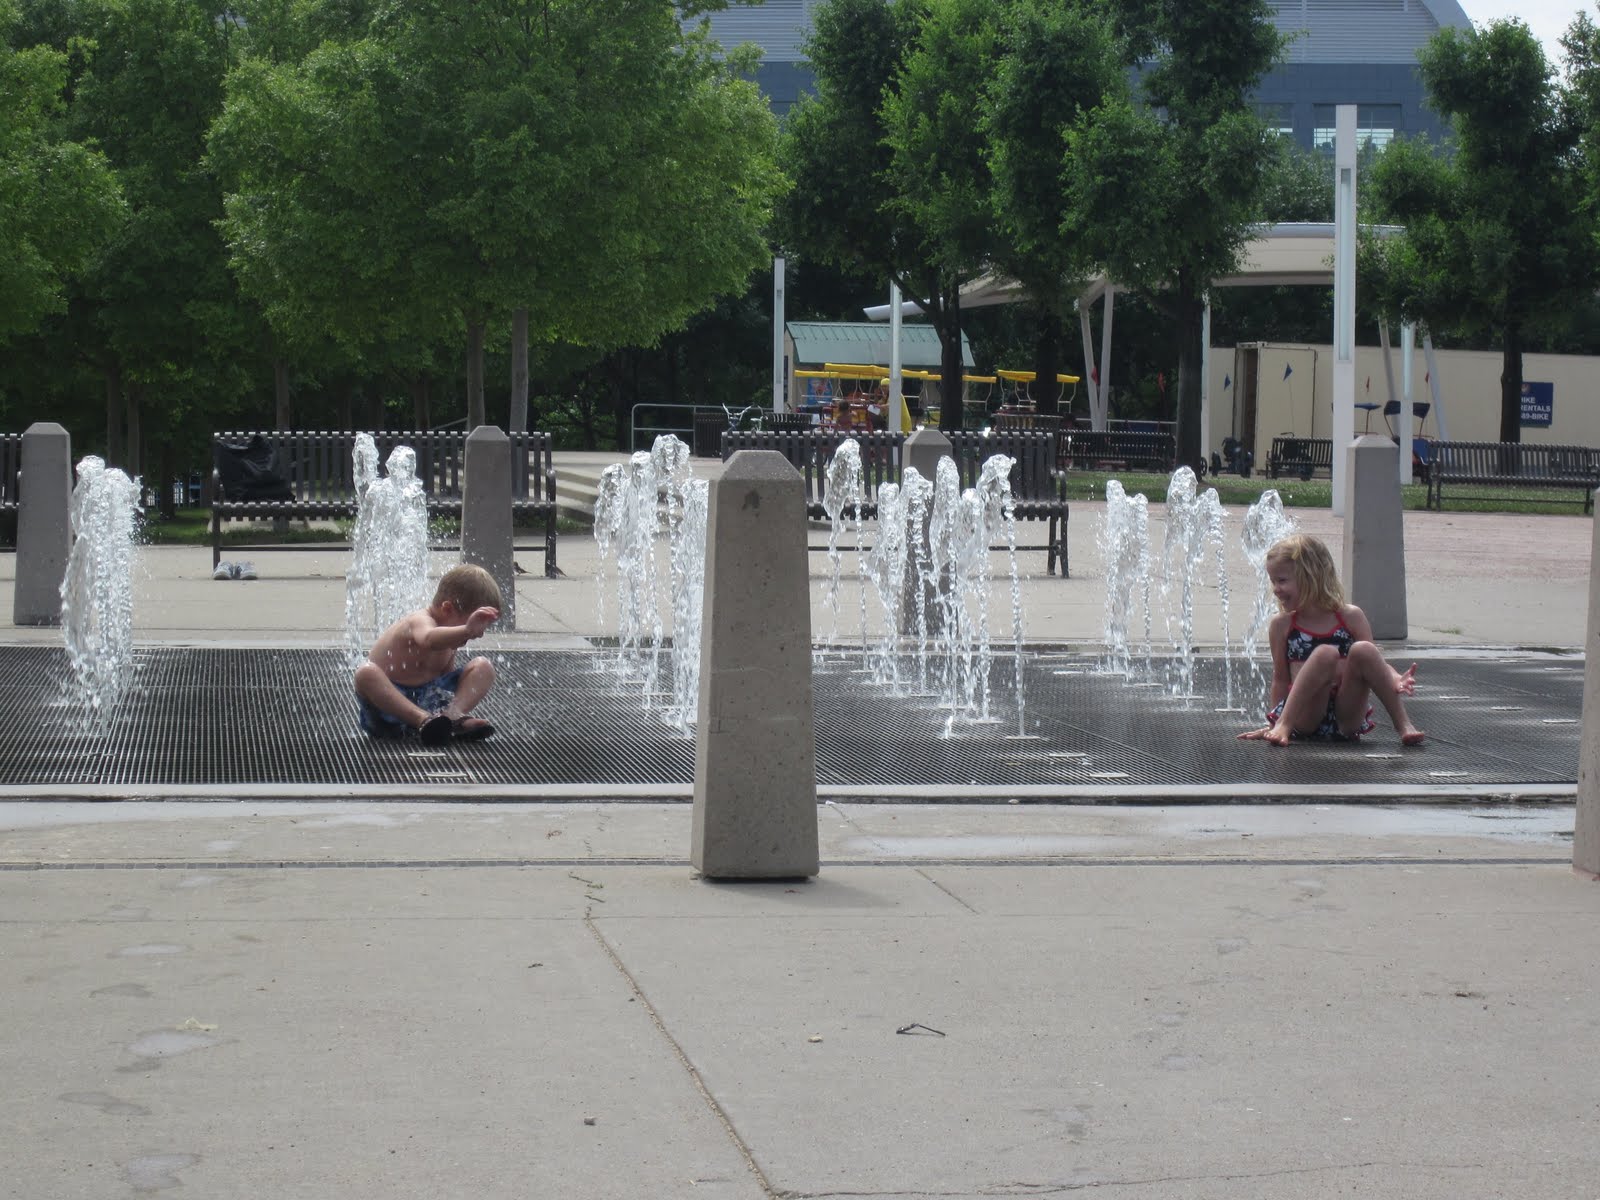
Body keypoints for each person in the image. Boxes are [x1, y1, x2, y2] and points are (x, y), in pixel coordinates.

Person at [1237, 533, 1424, 747]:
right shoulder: (1282, 625)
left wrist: (1395, 678)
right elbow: (1280, 679)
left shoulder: (1350, 617)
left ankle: (1404, 725)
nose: (1276, 589)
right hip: (1306, 716)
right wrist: (1275, 723)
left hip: (1347, 717)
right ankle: (1284, 725)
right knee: (1326, 654)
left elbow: (1375, 663)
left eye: (1282, 581)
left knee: (1363, 649)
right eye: (1273, 581)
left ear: (1310, 577)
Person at [353, 563, 502, 744]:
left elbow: (444, 677)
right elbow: (429, 639)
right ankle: (423, 720)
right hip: (389, 709)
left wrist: (450, 701)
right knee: (365, 673)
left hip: (430, 702)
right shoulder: (420, 620)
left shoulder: (450, 638)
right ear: (447, 609)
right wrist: (466, 630)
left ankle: (451, 717)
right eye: (470, 625)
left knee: (483, 667)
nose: (475, 634)